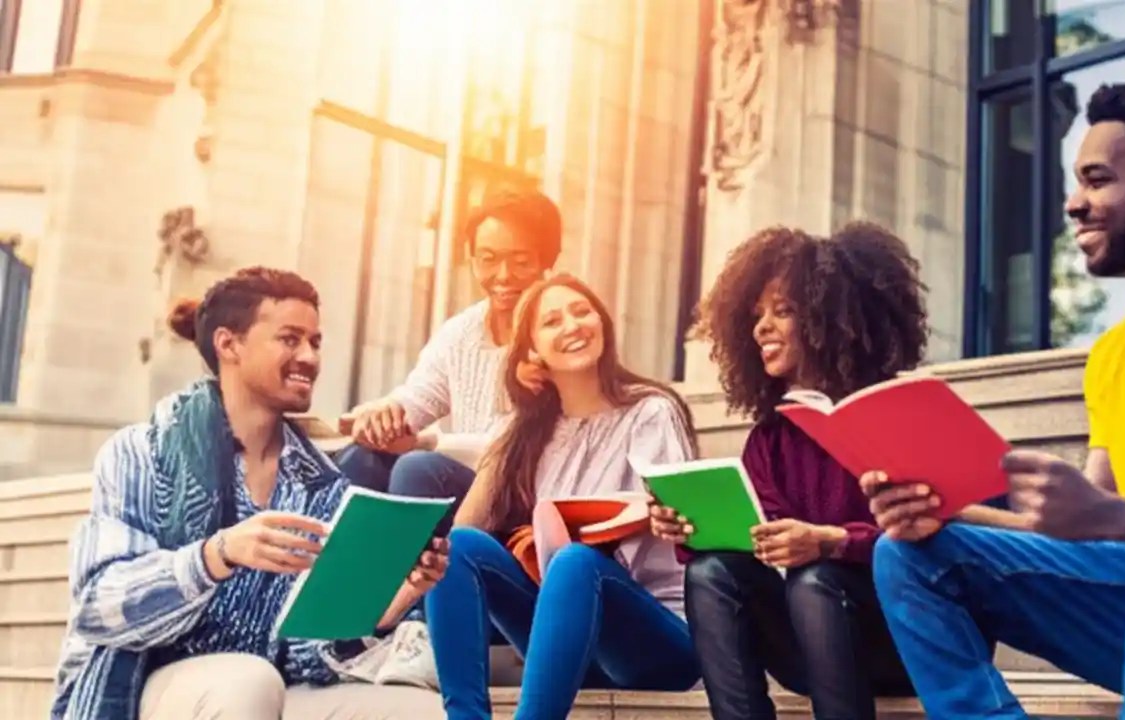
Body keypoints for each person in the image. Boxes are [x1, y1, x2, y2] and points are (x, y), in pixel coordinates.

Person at [867, 78, 1125, 719]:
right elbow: (1084, 529)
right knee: (907, 555)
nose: (1073, 203)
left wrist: (1110, 516)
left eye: (1097, 180)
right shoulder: (1114, 355)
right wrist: (947, 509)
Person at [50, 268, 449, 720]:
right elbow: (99, 605)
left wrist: (388, 601)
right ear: (229, 344)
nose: (310, 357)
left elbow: (302, 652)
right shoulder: (143, 453)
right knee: (248, 681)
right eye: (290, 339)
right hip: (147, 682)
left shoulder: (320, 485)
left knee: (418, 711)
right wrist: (217, 554)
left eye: (315, 342)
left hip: (265, 685)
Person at [649, 224, 922, 719]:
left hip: (905, 638)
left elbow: (929, 538)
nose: (761, 328)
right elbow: (755, 535)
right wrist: (688, 526)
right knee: (709, 572)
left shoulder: (895, 413)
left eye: (783, 311)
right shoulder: (772, 437)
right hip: (811, 641)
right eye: (757, 316)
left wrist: (831, 541)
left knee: (817, 578)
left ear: (831, 318)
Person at [425, 273, 702, 719]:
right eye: (552, 321)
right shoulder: (532, 434)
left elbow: (686, 521)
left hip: (656, 640)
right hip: (571, 638)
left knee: (576, 562)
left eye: (582, 311)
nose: (572, 325)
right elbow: (466, 528)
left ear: (603, 323)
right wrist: (522, 409)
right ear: (532, 349)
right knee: (462, 549)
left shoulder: (651, 410)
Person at [337, 183, 563, 519]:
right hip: (459, 477)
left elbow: (507, 448)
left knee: (418, 469)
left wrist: (424, 442)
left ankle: (410, 572)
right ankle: (350, 572)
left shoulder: (557, 333)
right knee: (361, 458)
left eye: (520, 261)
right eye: (488, 260)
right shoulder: (462, 332)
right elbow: (419, 395)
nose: (503, 276)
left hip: (522, 498)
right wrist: (386, 414)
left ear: (547, 261)